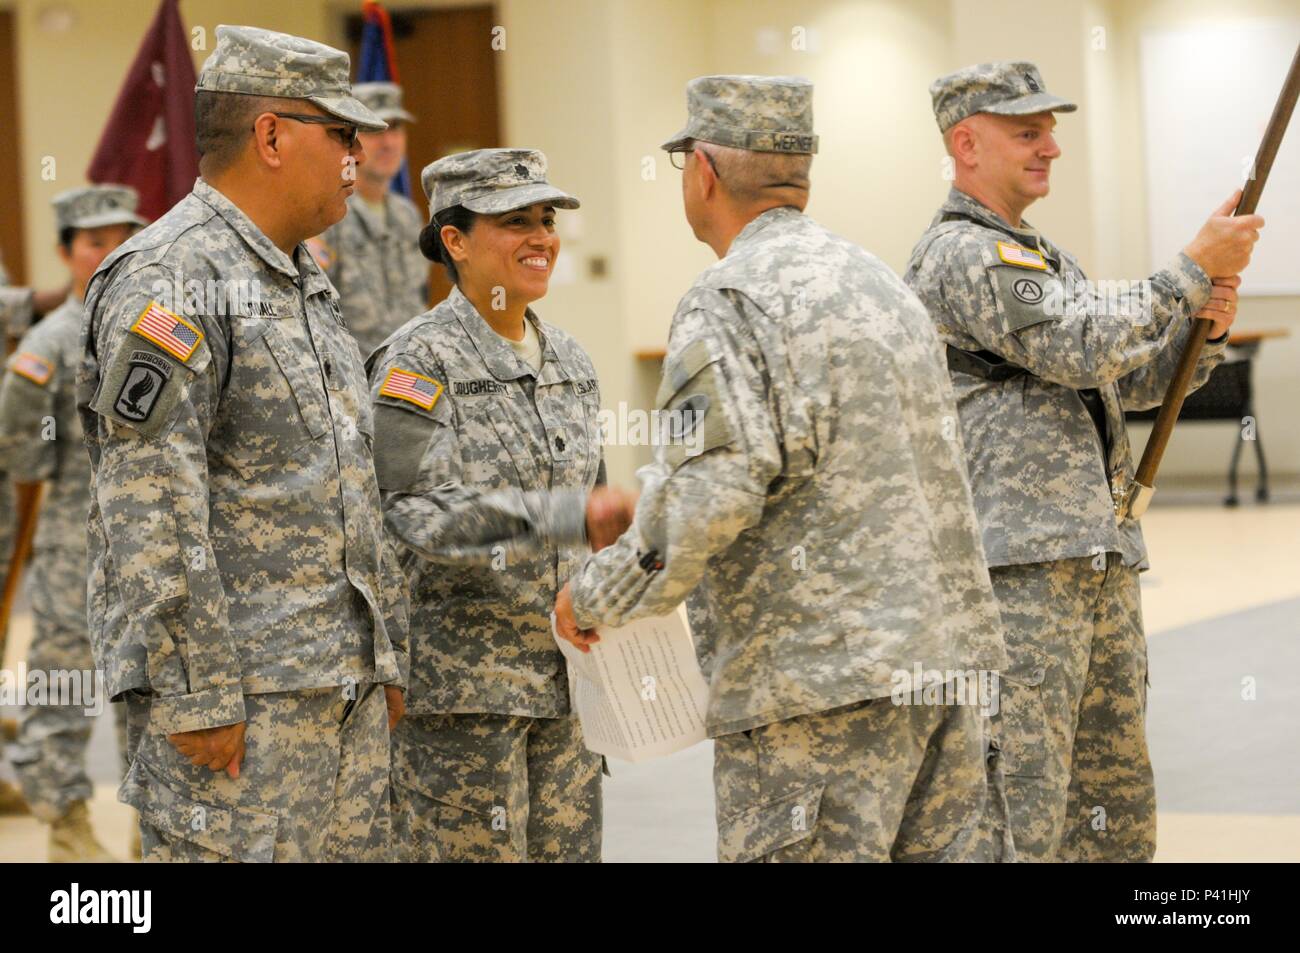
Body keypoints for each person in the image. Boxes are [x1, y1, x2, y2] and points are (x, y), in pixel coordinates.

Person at [554, 75, 1009, 863]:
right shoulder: (883, 286)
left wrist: (598, 594)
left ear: (702, 171)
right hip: (945, 672)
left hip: (818, 693)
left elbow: (710, 491)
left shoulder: (728, 299)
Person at [904, 61, 1262, 862]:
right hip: (1019, 572)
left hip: (1092, 561)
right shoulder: (964, 254)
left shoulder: (1038, 254)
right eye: (1027, 133)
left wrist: (1198, 329)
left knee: (1109, 794)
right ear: (966, 143)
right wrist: (1186, 270)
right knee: (1018, 797)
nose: (1052, 147)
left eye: (1050, 129)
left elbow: (1126, 377)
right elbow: (1078, 344)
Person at [78, 25, 409, 863]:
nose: (359, 154)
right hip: (242, 714)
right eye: (341, 133)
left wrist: (384, 653)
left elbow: (343, 480)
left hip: (341, 697)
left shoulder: (303, 278)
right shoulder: (171, 279)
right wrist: (197, 690)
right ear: (270, 135)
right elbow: (150, 498)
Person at [368, 148, 629, 862]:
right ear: (454, 240)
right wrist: (556, 515)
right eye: (516, 221)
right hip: (465, 703)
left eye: (547, 219)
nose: (542, 237)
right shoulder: (417, 362)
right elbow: (413, 511)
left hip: (569, 689)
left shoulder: (571, 359)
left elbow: (595, 513)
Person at [0, 185, 144, 860]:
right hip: (71, 548)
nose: (111, 251)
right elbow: (22, 447)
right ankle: (66, 822)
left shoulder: (158, 328)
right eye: (94, 241)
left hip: (147, 547)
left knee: (150, 685)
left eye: (122, 237)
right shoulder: (49, 342)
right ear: (64, 252)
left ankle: (155, 825)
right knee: (65, 687)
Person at [308, 82, 428, 357]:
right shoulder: (327, 213)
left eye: (395, 128)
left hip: (409, 372)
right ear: (350, 138)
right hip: (354, 378)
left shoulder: (407, 214)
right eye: (375, 130)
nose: (388, 141)